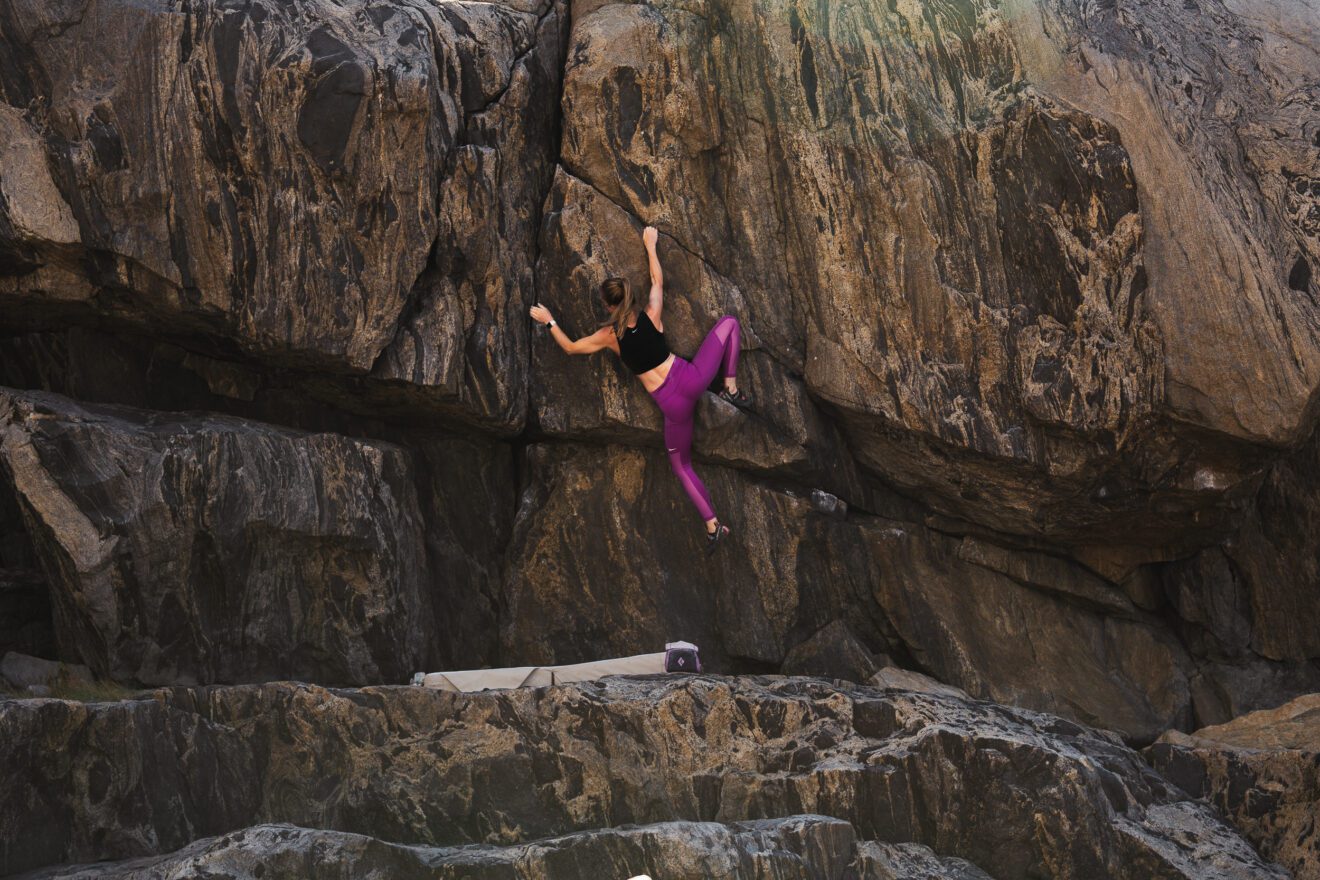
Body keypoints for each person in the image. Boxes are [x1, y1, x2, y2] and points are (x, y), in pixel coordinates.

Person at [530, 225, 751, 551]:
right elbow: (658, 282)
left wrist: (550, 320)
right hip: (691, 378)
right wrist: (650, 244)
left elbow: (572, 348)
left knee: (681, 465)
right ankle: (730, 388)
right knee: (730, 324)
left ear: (608, 307)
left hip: (673, 406)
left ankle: (713, 524)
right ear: (630, 297)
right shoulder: (652, 314)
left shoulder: (610, 337)